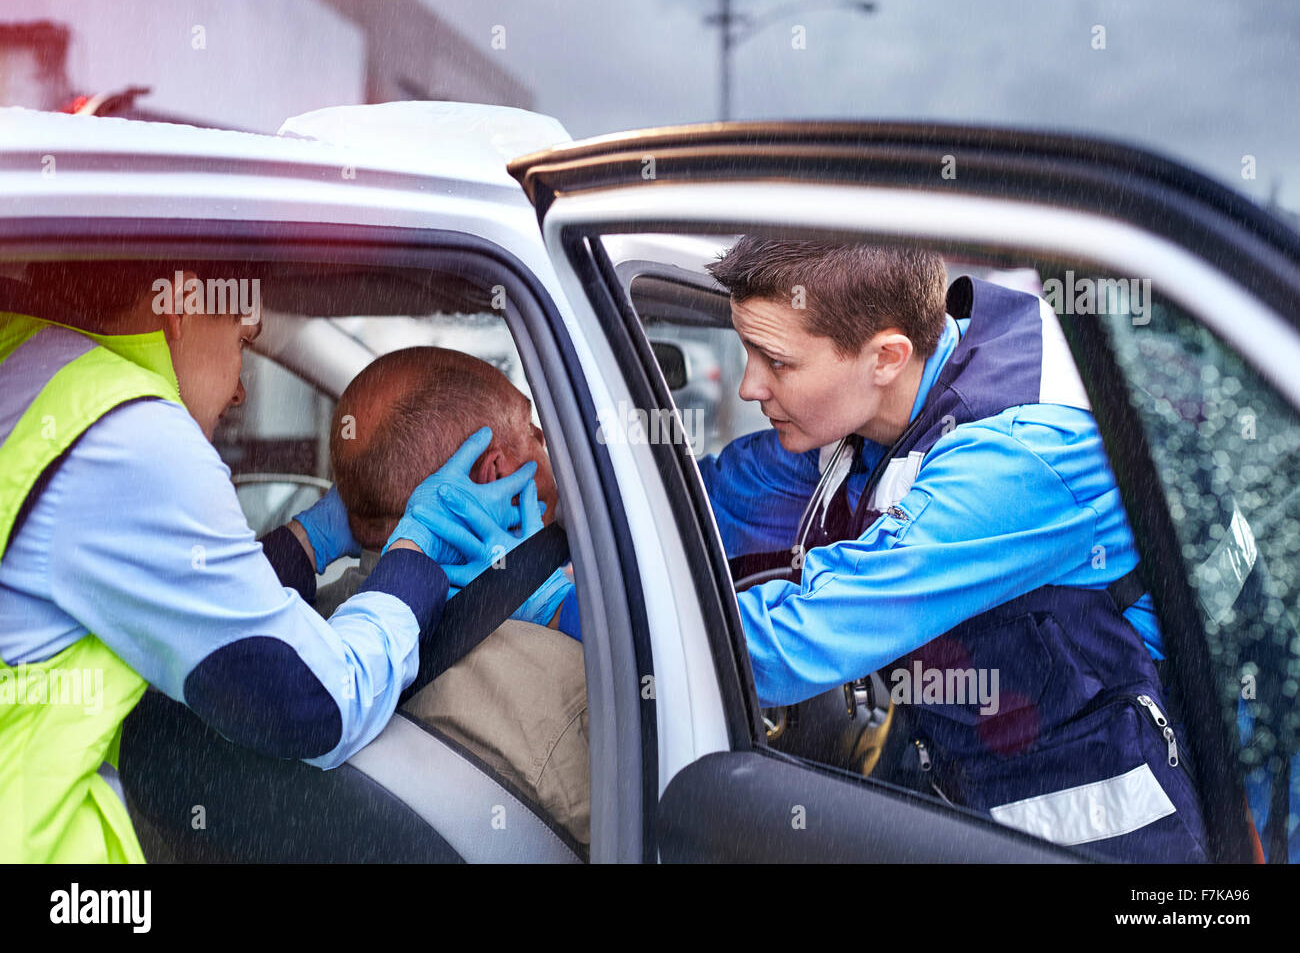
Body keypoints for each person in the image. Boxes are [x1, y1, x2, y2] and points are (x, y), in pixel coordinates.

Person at [435, 238, 1210, 863]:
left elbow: (785, 646)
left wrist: (563, 608)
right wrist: (545, 512)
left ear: (884, 355)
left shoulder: (1014, 465)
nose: (747, 387)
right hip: (978, 788)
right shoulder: (863, 413)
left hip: (1114, 832)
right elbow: (702, 505)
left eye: (777, 361)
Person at [0, 263, 529, 863]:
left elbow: (196, 604)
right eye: (241, 341)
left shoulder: (30, 361)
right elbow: (313, 703)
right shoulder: (129, 433)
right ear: (183, 301)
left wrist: (313, 537)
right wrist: (413, 559)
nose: (242, 389)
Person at [294, 346, 589, 846]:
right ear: (492, 473)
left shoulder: (307, 633)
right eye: (530, 426)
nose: (544, 439)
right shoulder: (569, 685)